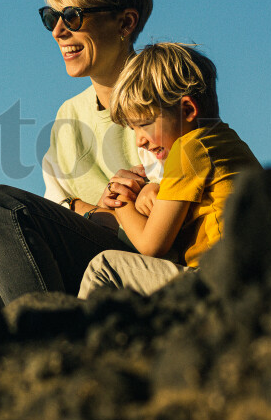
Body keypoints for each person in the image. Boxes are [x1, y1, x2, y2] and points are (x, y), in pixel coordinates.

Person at [0, 0, 160, 305]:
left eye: (73, 17)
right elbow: (57, 203)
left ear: (125, 22)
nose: (58, 31)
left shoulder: (162, 96)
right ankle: (7, 344)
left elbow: (179, 188)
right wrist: (94, 210)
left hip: (141, 259)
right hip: (94, 247)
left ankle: (50, 339)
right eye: (50, 17)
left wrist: (105, 209)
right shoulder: (69, 115)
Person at [78, 43, 261, 298]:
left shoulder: (189, 149)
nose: (140, 140)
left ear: (187, 110)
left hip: (222, 281)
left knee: (105, 267)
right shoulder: (225, 142)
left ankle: (73, 336)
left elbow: (151, 245)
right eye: (134, 130)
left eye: (144, 124)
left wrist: (122, 202)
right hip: (252, 277)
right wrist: (152, 190)